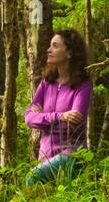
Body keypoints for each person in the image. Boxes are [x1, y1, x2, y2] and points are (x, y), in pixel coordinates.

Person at [24, 29, 92, 185]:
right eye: (50, 46)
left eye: (55, 46)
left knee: (32, 179)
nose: (49, 50)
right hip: (45, 156)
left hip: (72, 154)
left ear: (69, 53)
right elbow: (28, 117)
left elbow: (74, 123)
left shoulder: (83, 84)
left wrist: (43, 119)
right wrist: (59, 116)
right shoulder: (47, 83)